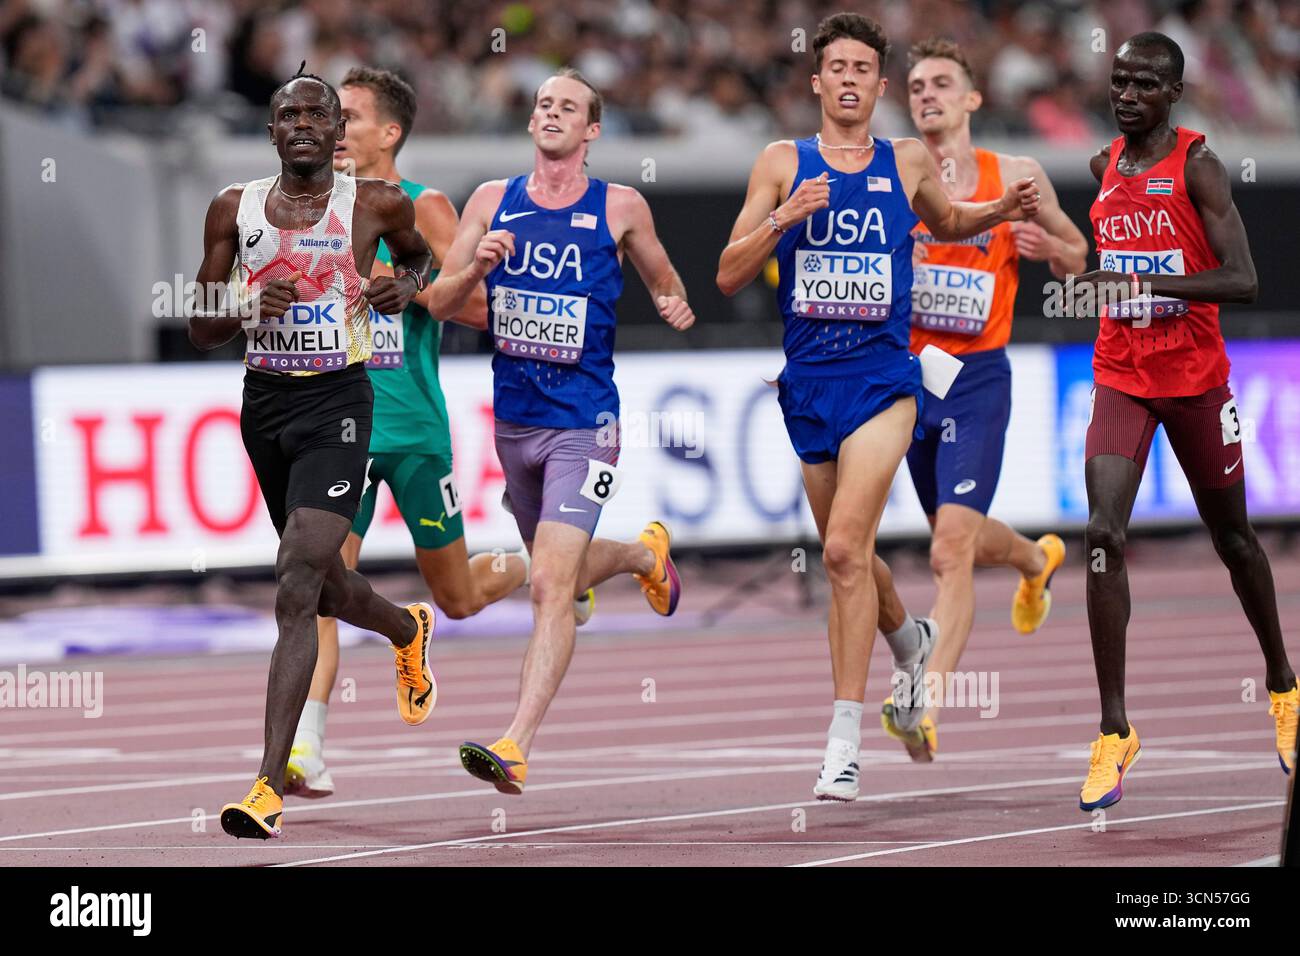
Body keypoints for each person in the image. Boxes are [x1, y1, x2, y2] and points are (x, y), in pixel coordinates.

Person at [716, 12, 1040, 801]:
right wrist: (784, 218)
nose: (852, 78)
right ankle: (910, 639)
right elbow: (727, 272)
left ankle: (843, 740)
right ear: (818, 80)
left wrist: (1000, 213)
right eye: (839, 67)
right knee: (849, 556)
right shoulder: (780, 161)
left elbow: (950, 221)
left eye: (865, 67)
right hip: (809, 384)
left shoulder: (905, 159)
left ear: (878, 84)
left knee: (839, 554)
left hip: (886, 382)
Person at [283, 67, 591, 800]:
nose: (333, 130)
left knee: (455, 597)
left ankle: (545, 571)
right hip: (338, 427)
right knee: (319, 580)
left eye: (349, 118)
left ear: (389, 133)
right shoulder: (310, 207)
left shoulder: (424, 206)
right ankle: (307, 746)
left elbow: (481, 306)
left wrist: (416, 285)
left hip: (415, 429)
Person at [427, 68, 694, 794]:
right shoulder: (490, 200)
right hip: (514, 424)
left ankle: (516, 743)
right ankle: (643, 556)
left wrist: (673, 304)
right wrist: (475, 266)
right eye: (543, 103)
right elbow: (440, 302)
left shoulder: (621, 206)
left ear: (592, 130)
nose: (551, 113)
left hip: (586, 423)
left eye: (567, 106)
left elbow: (665, 277)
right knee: (562, 574)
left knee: (549, 584)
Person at [188, 67, 436, 839]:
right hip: (265, 407)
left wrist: (404, 286)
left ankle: (266, 784)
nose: (301, 123)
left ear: (337, 133)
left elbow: (417, 256)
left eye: (316, 114)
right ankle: (404, 628)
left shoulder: (375, 203)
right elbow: (198, 323)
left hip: (339, 404)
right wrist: (238, 307)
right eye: (287, 113)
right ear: (271, 131)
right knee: (327, 587)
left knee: (296, 579)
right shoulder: (234, 208)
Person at [1069, 32, 1298, 810]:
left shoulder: (1197, 167)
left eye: (1142, 85)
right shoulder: (1102, 169)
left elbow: (1244, 279)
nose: (1125, 95)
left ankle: (1284, 684)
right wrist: (1091, 283)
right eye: (1117, 81)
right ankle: (1112, 730)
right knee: (1102, 535)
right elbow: (1104, 274)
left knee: (1234, 541)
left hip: (1197, 380)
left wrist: (1144, 279)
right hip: (1122, 374)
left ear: (1173, 94)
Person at [874, 37, 1086, 762]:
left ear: (971, 99)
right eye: (917, 86)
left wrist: (1045, 244)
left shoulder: (1016, 173)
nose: (926, 94)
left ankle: (923, 702)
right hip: (909, 380)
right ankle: (1034, 559)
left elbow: (1078, 252)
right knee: (957, 537)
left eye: (941, 84)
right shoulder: (893, 170)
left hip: (977, 378)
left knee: (948, 550)